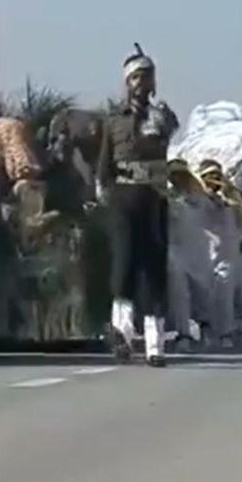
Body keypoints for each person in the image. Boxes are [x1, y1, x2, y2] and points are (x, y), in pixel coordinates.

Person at [97, 44, 180, 366]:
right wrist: (102, 192)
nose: (142, 84)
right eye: (136, 77)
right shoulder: (114, 121)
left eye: (147, 77)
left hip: (154, 198)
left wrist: (158, 123)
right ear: (127, 82)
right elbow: (104, 164)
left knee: (154, 270)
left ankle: (155, 344)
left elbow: (169, 140)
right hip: (123, 198)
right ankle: (122, 334)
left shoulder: (163, 117)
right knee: (124, 266)